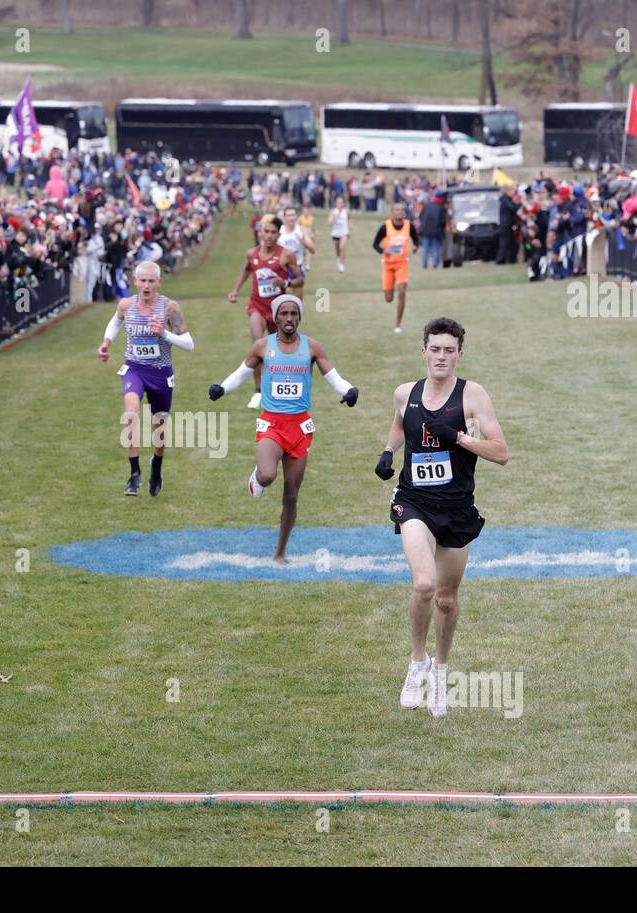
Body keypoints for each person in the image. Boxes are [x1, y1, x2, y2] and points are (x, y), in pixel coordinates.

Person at [375, 317, 508, 717]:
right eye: (435, 349)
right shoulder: (405, 392)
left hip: (456, 508)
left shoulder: (473, 396)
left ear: (459, 355)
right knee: (424, 585)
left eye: (450, 351)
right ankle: (416, 664)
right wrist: (387, 452)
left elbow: (501, 452)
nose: (442, 357)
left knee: (447, 601)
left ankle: (440, 670)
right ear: (424, 351)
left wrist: (459, 438)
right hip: (414, 501)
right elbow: (401, 422)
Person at [208, 294, 357, 564]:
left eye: (294, 314)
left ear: (300, 317)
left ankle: (280, 552)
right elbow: (242, 372)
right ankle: (258, 476)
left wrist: (349, 391)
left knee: (291, 494)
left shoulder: (312, 347)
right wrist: (222, 388)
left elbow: (332, 377)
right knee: (268, 476)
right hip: (272, 423)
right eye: (284, 314)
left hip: (300, 426)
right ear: (275, 318)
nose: (289, 319)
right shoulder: (263, 346)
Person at [96, 260, 193, 496]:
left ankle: (156, 466)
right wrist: (106, 342)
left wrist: (165, 333)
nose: (147, 285)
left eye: (151, 281)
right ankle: (134, 474)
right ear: (135, 281)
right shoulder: (126, 304)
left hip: (160, 374)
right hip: (134, 368)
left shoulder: (170, 308)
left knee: (158, 428)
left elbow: (189, 344)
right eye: (143, 281)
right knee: (131, 413)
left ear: (159, 282)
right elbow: (116, 320)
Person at [226, 215, 296, 408]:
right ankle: (258, 393)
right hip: (256, 306)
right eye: (266, 231)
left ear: (278, 234)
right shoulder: (252, 254)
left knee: (278, 351)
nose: (269, 236)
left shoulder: (286, 255)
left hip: (279, 312)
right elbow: (247, 269)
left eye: (273, 232)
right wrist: (236, 290)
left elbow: (299, 279)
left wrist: (286, 283)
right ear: (260, 232)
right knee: (257, 345)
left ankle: (277, 388)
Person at [371, 202, 418, 334]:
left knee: (402, 291)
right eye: (397, 210)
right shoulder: (385, 227)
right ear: (392, 212)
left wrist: (415, 247)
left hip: (402, 263)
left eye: (402, 210)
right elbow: (375, 244)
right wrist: (382, 250)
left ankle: (398, 324)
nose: (400, 212)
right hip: (388, 265)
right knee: (389, 299)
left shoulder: (409, 226)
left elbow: (416, 240)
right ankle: (389, 294)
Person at [277, 204, 315, 297]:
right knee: (281, 302)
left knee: (298, 301)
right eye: (289, 215)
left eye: (293, 215)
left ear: (296, 216)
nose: (291, 218)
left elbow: (313, 249)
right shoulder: (279, 231)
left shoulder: (302, 230)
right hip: (282, 269)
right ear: (284, 218)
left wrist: (302, 240)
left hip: (297, 270)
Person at [327, 195, 350, 272]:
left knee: (342, 247)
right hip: (335, 233)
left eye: (341, 202)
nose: (339, 204)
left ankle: (342, 265)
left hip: (344, 233)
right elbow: (329, 222)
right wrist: (335, 217)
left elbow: (349, 219)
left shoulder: (346, 211)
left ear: (343, 203)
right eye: (338, 202)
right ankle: (338, 258)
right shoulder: (333, 211)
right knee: (337, 249)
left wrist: (349, 228)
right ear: (336, 203)